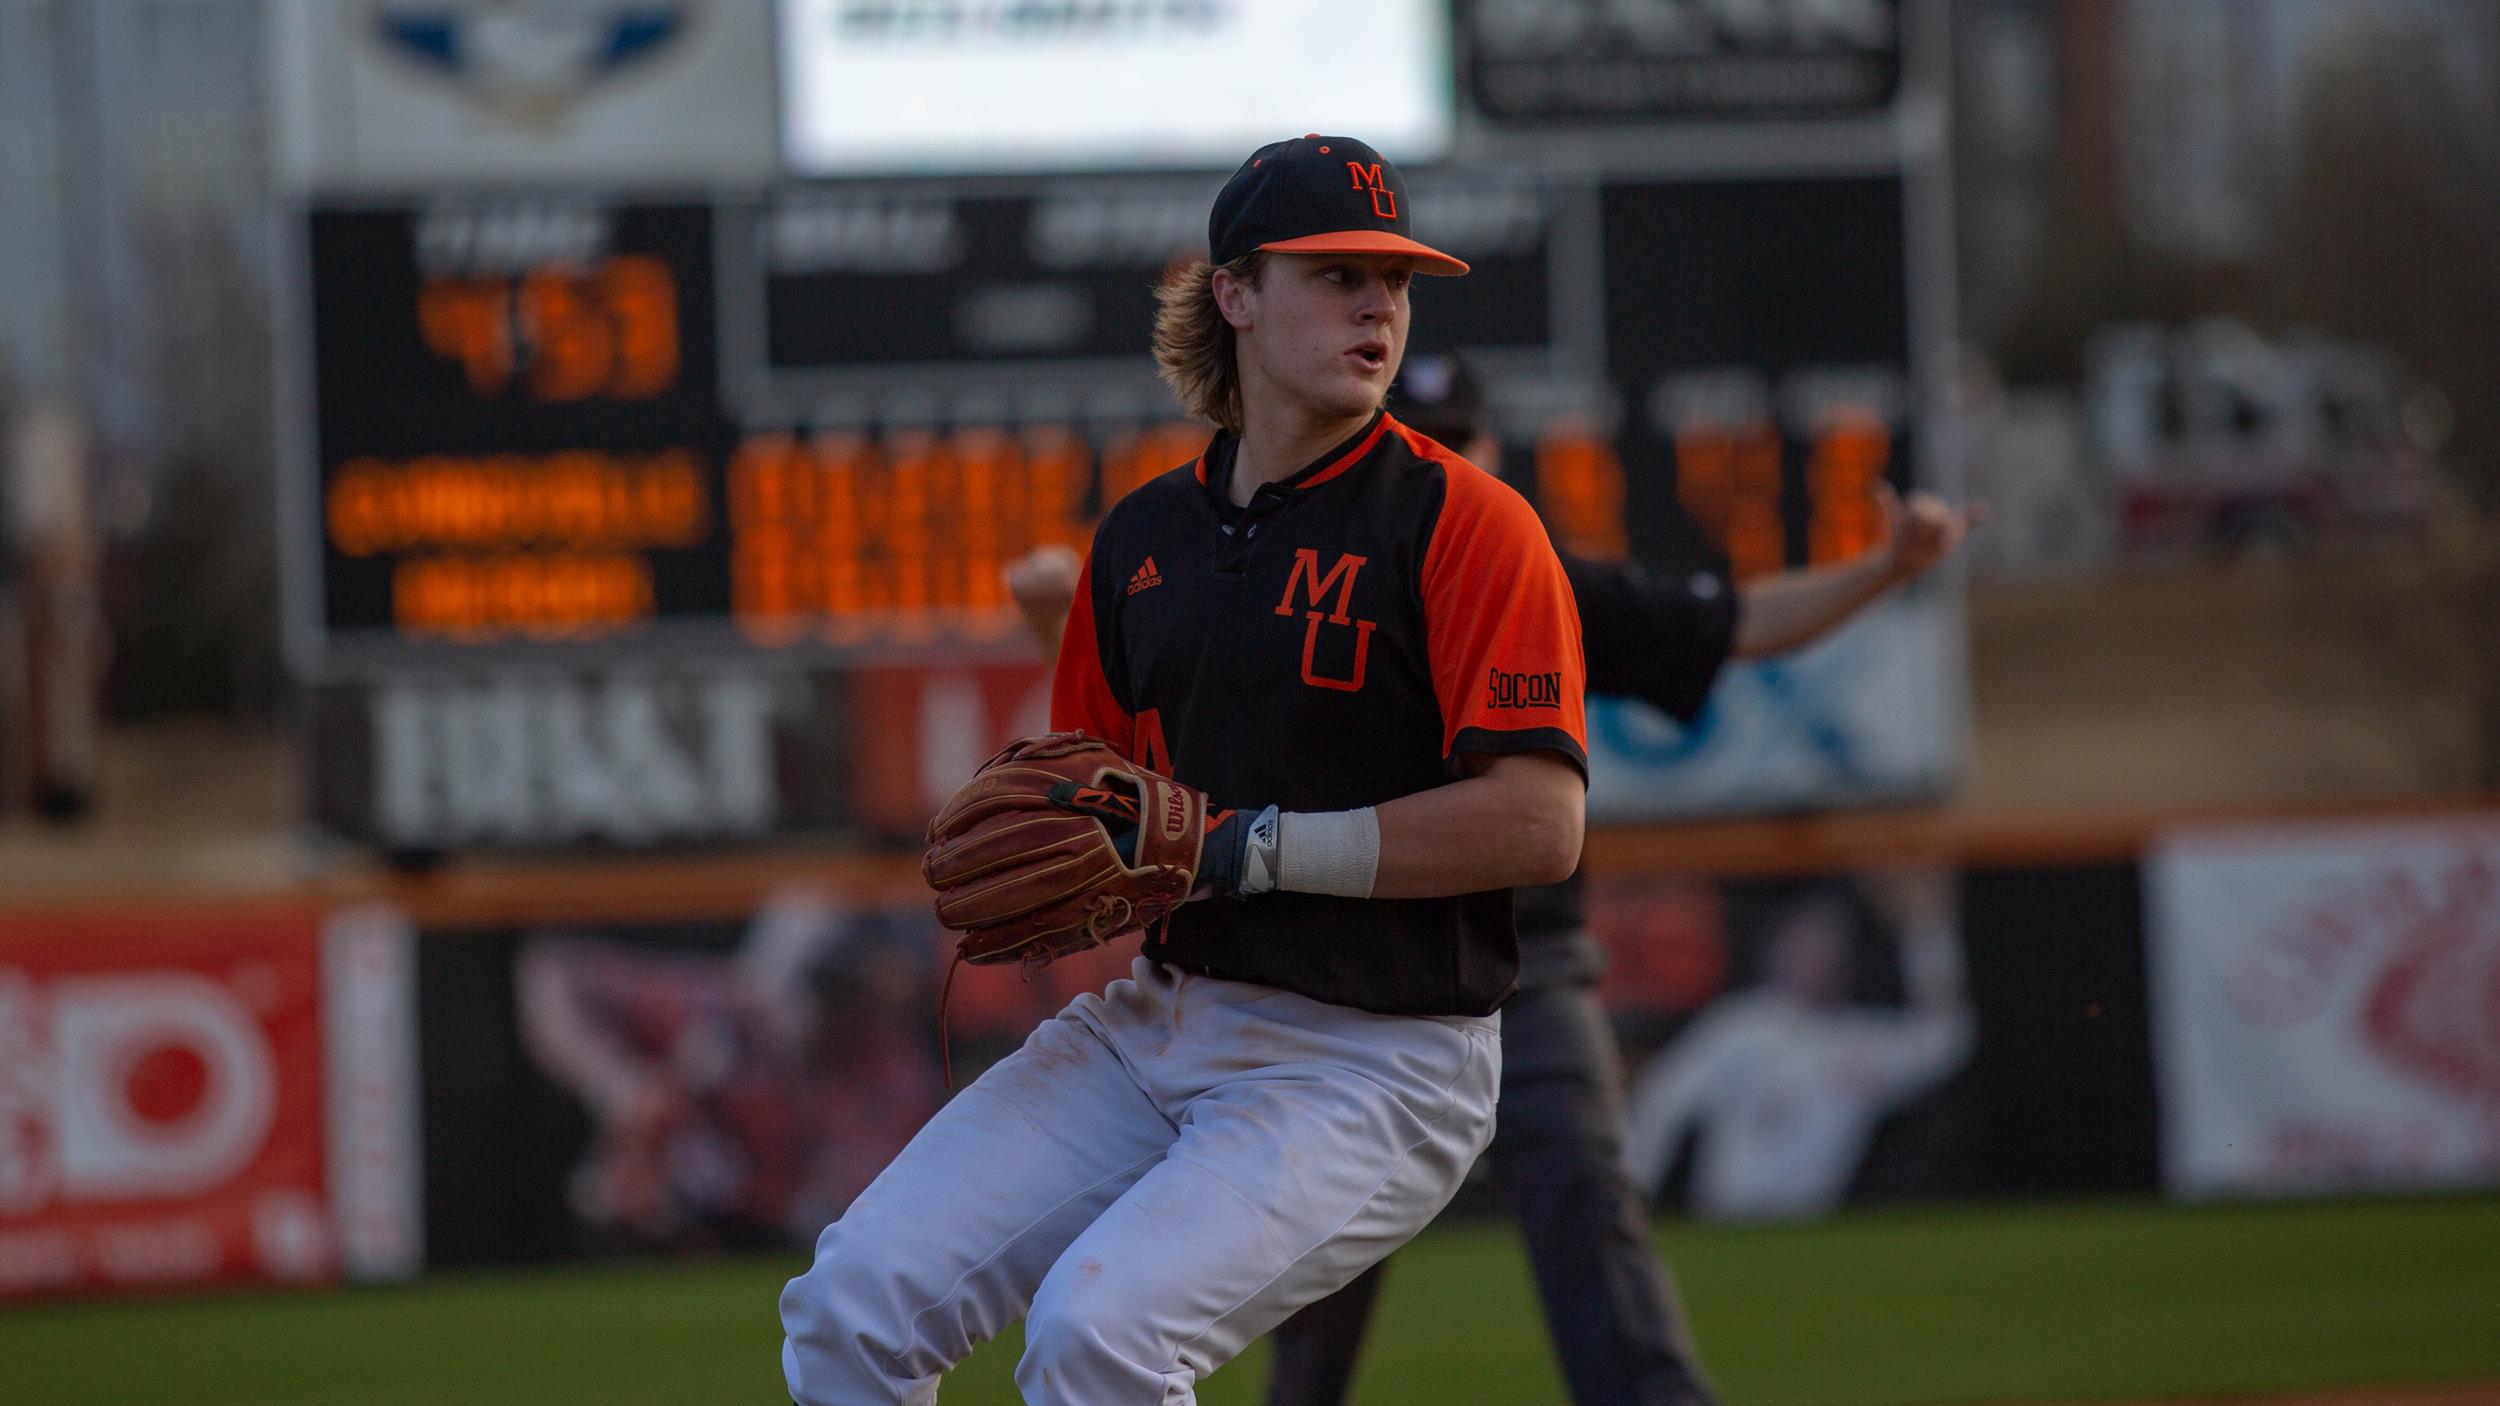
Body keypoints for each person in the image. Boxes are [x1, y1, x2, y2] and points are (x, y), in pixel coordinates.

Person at [781, 136, 1592, 1406]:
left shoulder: (1467, 523)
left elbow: (1540, 823)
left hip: (1378, 1062)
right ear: (1233, 293)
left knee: (1098, 1339)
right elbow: (1100, 804)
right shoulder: (1144, 538)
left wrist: (1247, 844)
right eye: (1335, 274)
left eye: (1395, 277)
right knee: (847, 1310)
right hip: (1160, 1020)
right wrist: (1064, 846)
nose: (1377, 303)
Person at [1004, 351, 1980, 1405]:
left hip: (1530, 973)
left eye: (1459, 435)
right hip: (1342, 979)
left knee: (1588, 1211)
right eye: (1425, 430)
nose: (1443, 453)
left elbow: (1732, 623)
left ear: (1489, 450)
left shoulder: (1521, 564)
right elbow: (1167, 727)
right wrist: (1069, 625)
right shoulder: (1293, 568)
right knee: (1305, 1286)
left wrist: (1884, 568)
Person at [1621, 869, 1973, 1223]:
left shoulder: (1858, 1040)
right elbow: (1664, 1098)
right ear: (1776, 952)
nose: (1816, 960)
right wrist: (1632, 1197)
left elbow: (1946, 1039)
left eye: (1829, 948)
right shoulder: (1743, 1026)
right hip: (1729, 1222)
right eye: (1803, 946)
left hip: (1810, 1226)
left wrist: (1927, 930)